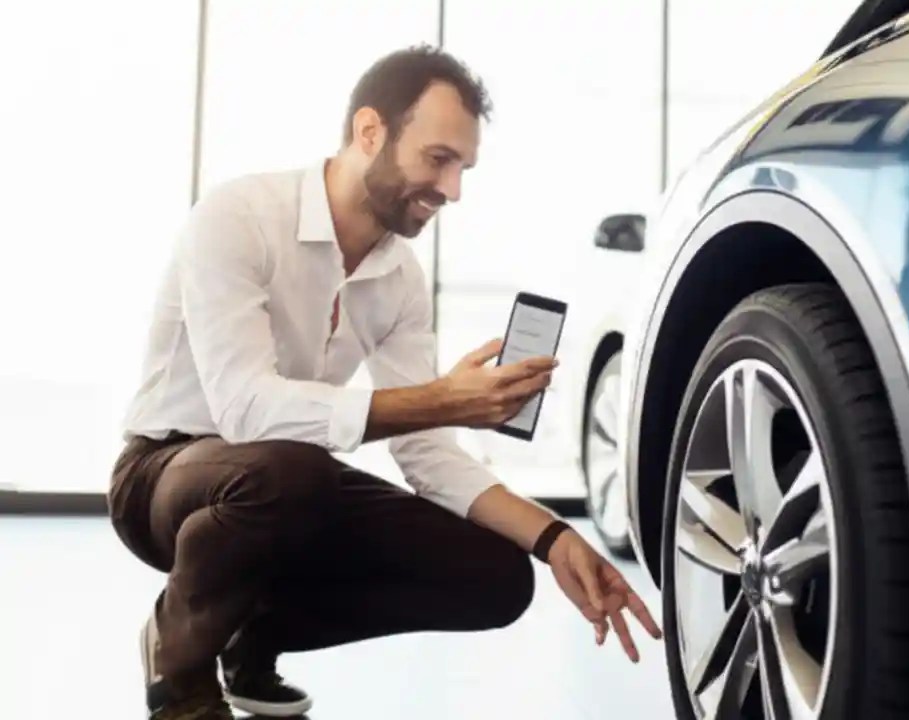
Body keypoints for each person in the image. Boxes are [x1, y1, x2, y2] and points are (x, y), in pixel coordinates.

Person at [107, 44, 661, 720]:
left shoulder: (399, 278)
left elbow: (426, 454)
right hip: (165, 478)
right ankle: (181, 669)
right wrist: (438, 401)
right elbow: (246, 408)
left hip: (286, 482)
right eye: (438, 159)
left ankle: (251, 636)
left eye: (463, 168)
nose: (452, 190)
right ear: (370, 132)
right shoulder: (239, 216)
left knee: (495, 578)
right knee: (289, 472)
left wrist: (554, 539)